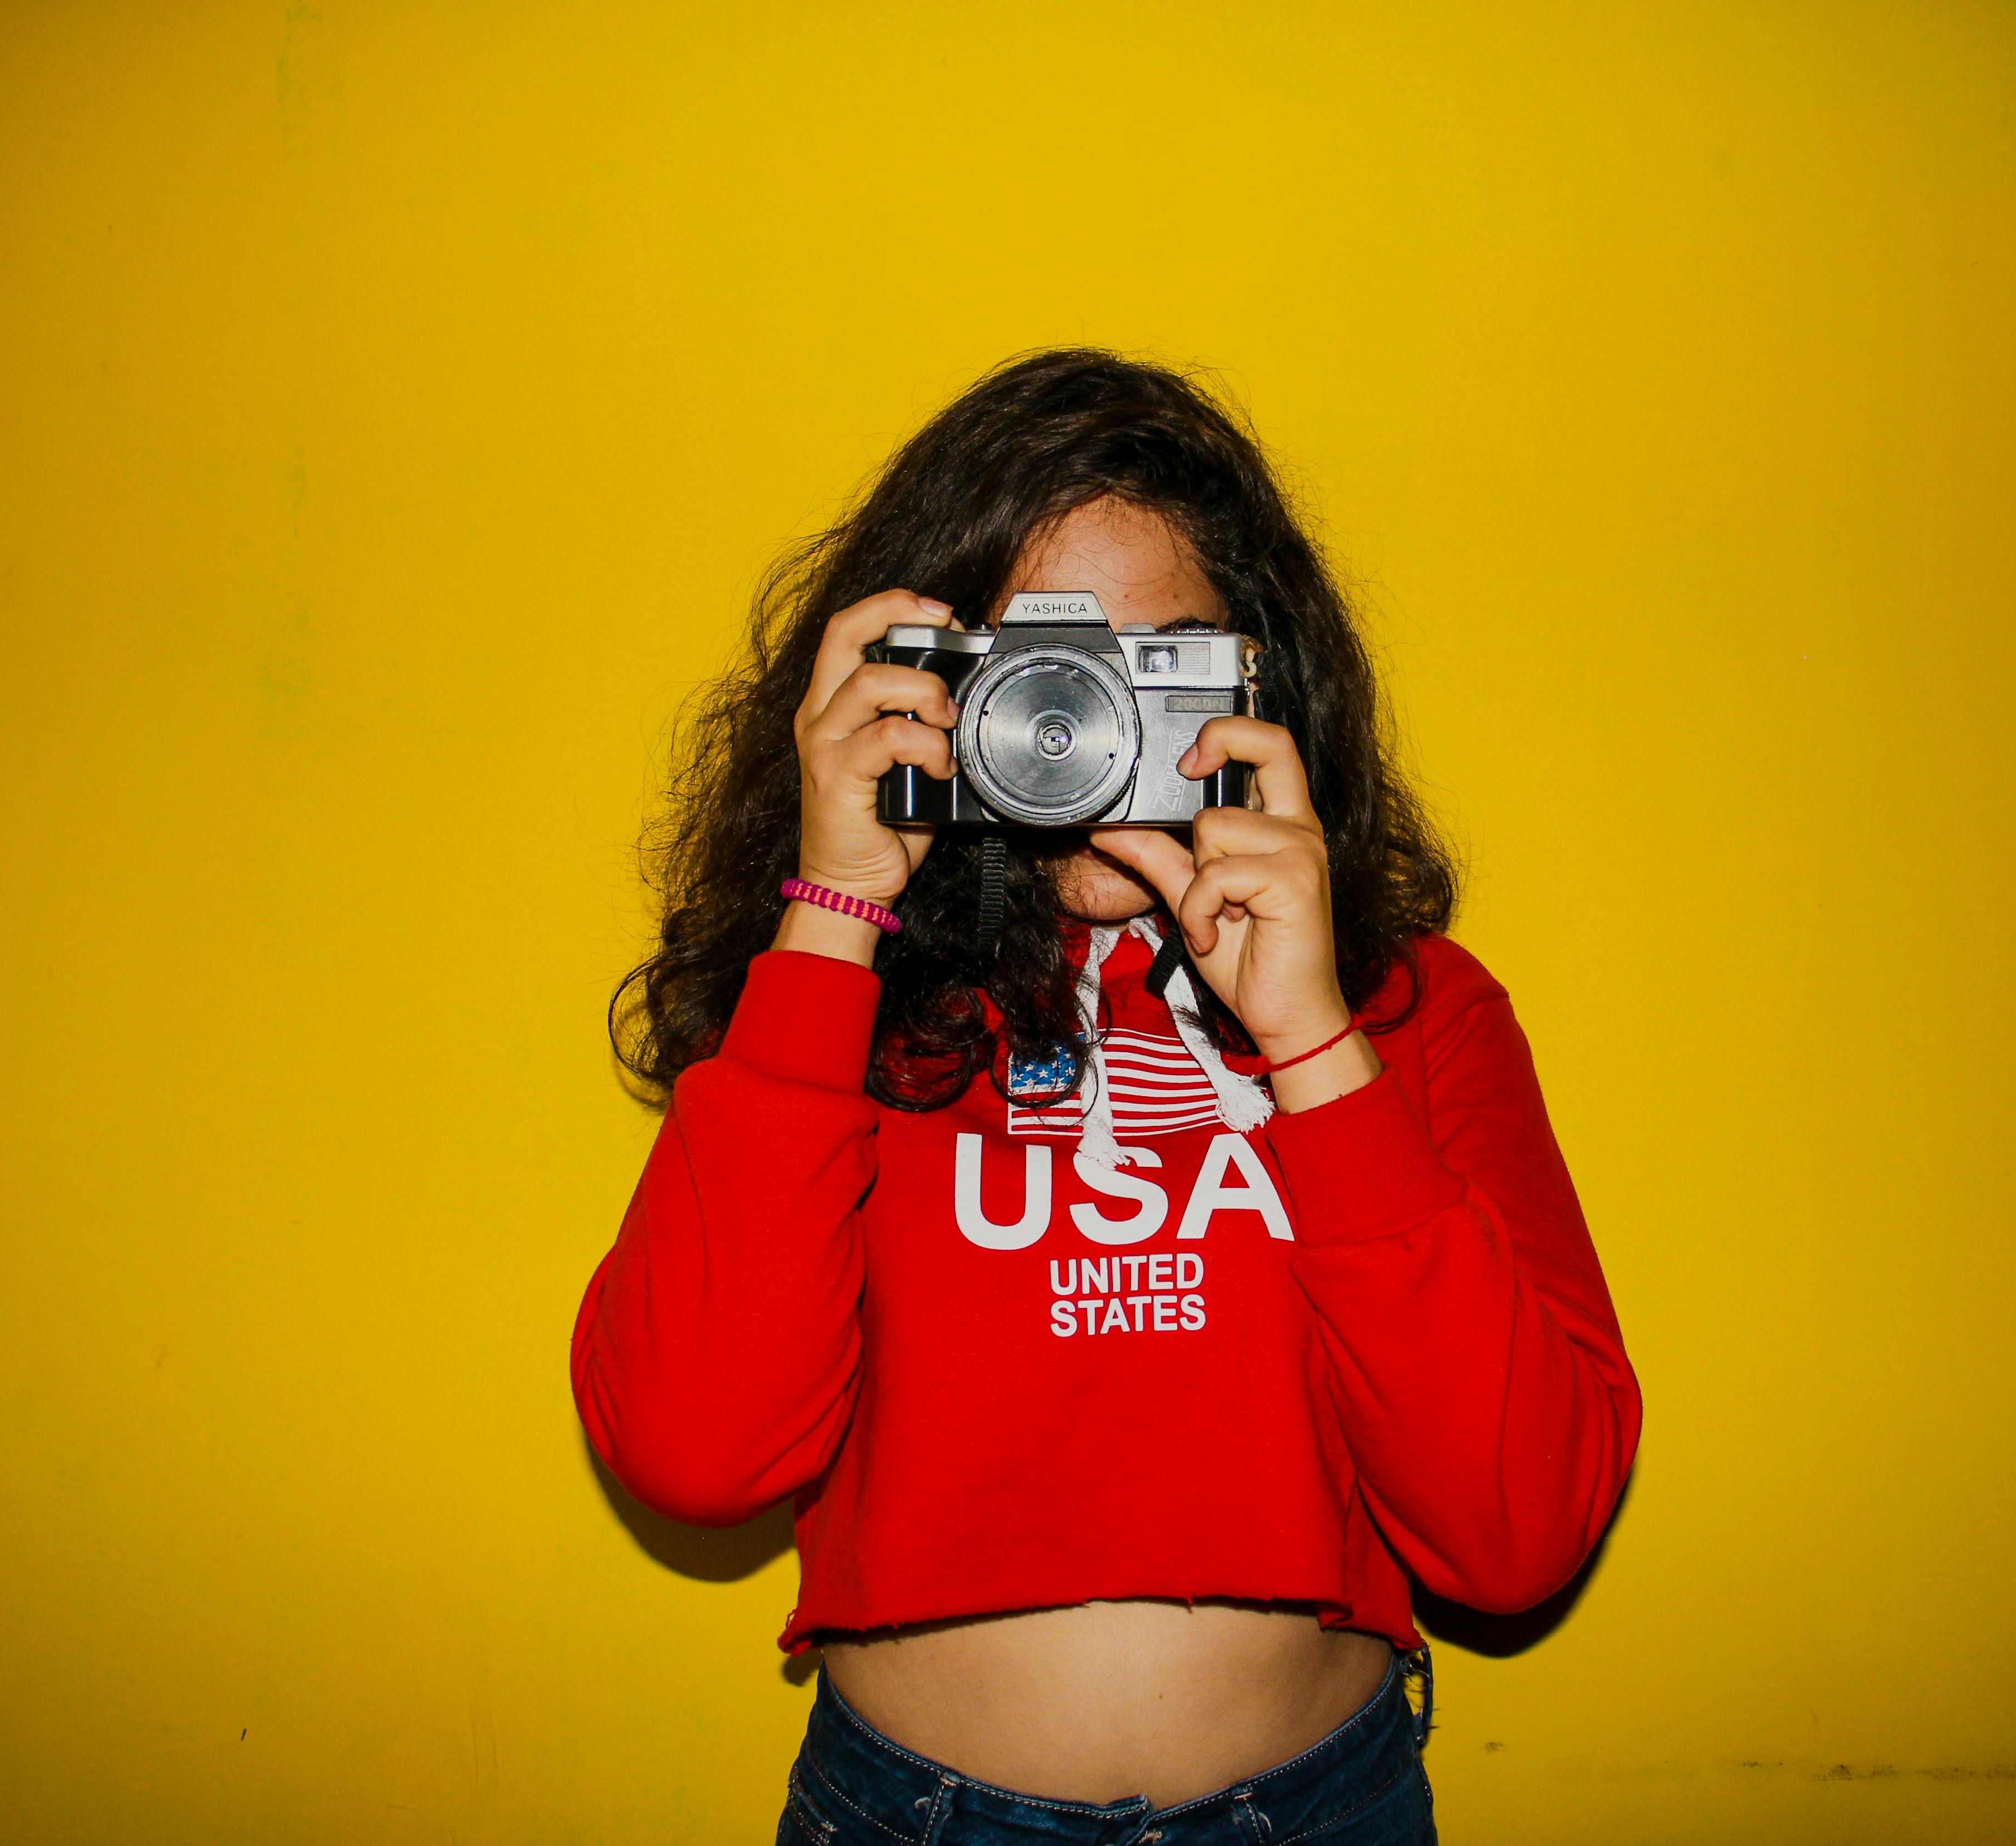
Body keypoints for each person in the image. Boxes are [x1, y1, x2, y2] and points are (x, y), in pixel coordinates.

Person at [575, 350, 1639, 1844]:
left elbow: (1516, 1535)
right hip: (912, 1816)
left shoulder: (1410, 1017)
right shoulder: (830, 1026)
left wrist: (1316, 1047)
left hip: (1317, 1809)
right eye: (1024, 675)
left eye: (1148, 668)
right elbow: (695, 1451)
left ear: (1256, 682)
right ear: (911, 689)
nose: (1067, 734)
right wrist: (828, 915)